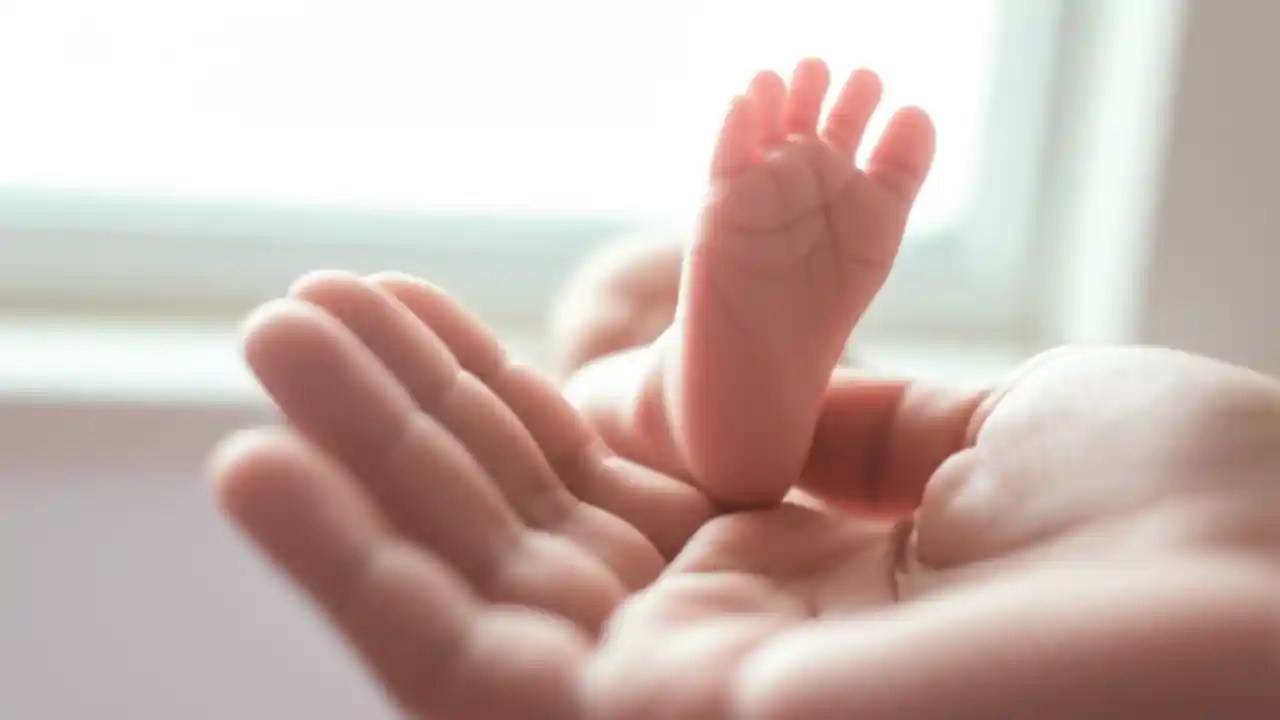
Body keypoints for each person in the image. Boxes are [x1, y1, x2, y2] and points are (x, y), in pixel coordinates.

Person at [208, 60, 1280, 718]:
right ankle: (680, 385)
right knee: (628, 384)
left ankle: (683, 387)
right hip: (806, 521)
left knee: (646, 389)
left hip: (820, 526)